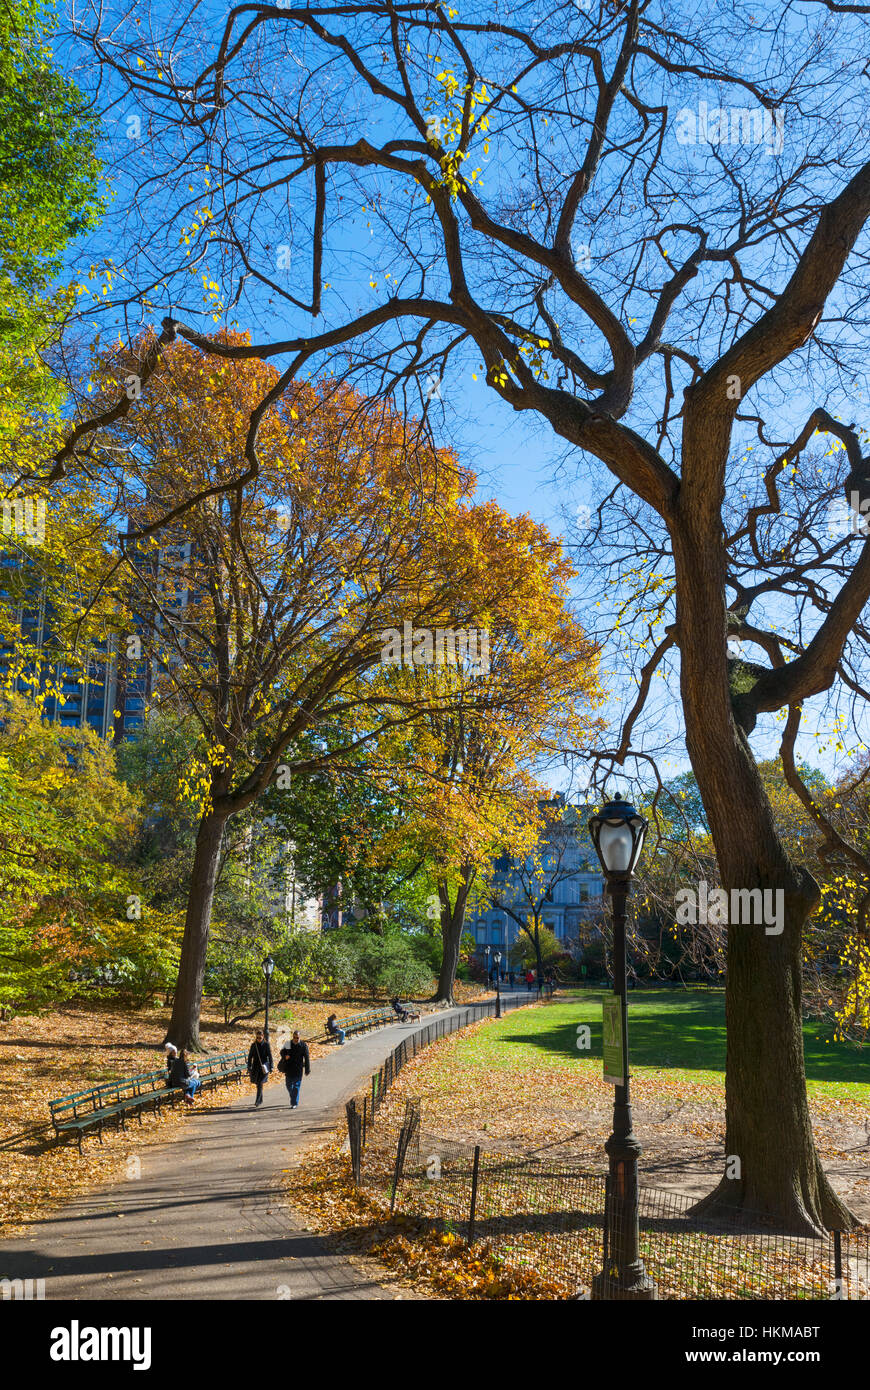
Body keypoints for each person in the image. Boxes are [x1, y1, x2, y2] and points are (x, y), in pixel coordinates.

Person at [278, 1031, 310, 1109]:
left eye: (297, 1038)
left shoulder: (303, 1045)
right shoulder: (288, 1044)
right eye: (294, 1037)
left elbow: (307, 1058)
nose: (296, 1039)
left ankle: (294, 1103)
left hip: (298, 1069)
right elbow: (282, 1052)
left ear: (300, 1037)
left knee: (296, 1086)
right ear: (293, 1037)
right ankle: (293, 1097)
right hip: (289, 1068)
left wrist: (307, 1069)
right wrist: (285, 1056)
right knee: (288, 1085)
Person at [247, 1028, 273, 1107]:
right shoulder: (253, 1045)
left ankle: (257, 1101)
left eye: (260, 1038)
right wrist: (249, 1066)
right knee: (258, 1084)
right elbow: (250, 1057)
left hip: (264, 1067)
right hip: (255, 1067)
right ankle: (260, 1099)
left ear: (263, 1036)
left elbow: (270, 1056)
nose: (258, 1039)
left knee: (260, 1083)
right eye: (257, 1038)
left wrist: (271, 1066)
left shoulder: (266, 1045)